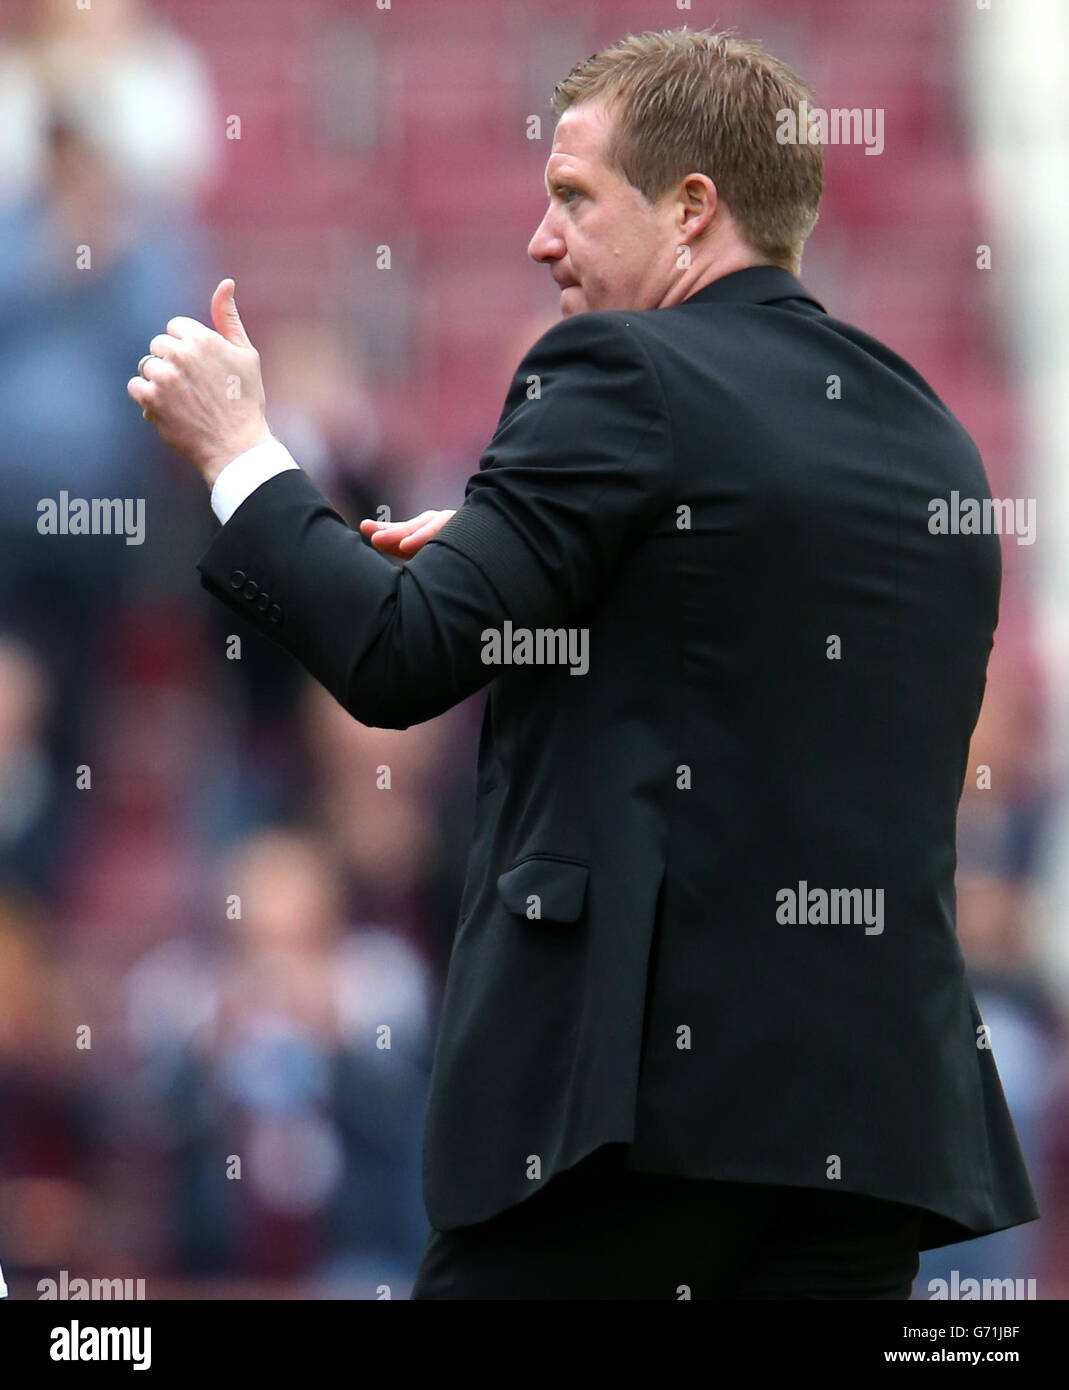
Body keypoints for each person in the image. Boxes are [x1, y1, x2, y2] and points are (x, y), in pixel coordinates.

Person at [127, 28, 1038, 1299]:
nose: (539, 241)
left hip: (627, 1124)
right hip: (869, 1134)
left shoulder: (615, 367)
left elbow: (399, 656)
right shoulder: (930, 437)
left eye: (572, 198)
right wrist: (544, 563)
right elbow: (740, 648)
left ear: (691, 210)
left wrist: (240, 452)